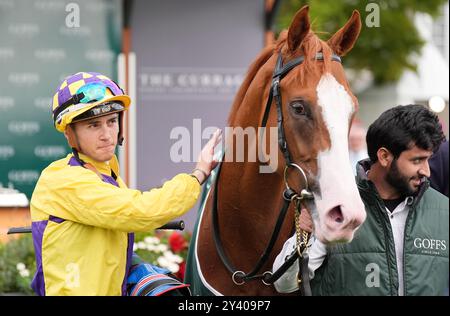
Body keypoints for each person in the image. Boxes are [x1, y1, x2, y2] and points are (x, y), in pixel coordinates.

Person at [30, 72, 222, 296]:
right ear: (70, 134)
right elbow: (142, 210)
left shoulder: (106, 175)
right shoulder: (63, 180)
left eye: (111, 121)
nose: (107, 134)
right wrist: (198, 174)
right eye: (93, 125)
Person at [273, 104, 448, 296]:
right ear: (384, 156)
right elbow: (284, 283)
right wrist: (305, 236)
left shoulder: (444, 212)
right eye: (417, 160)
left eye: (428, 159)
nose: (426, 171)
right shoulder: (334, 207)